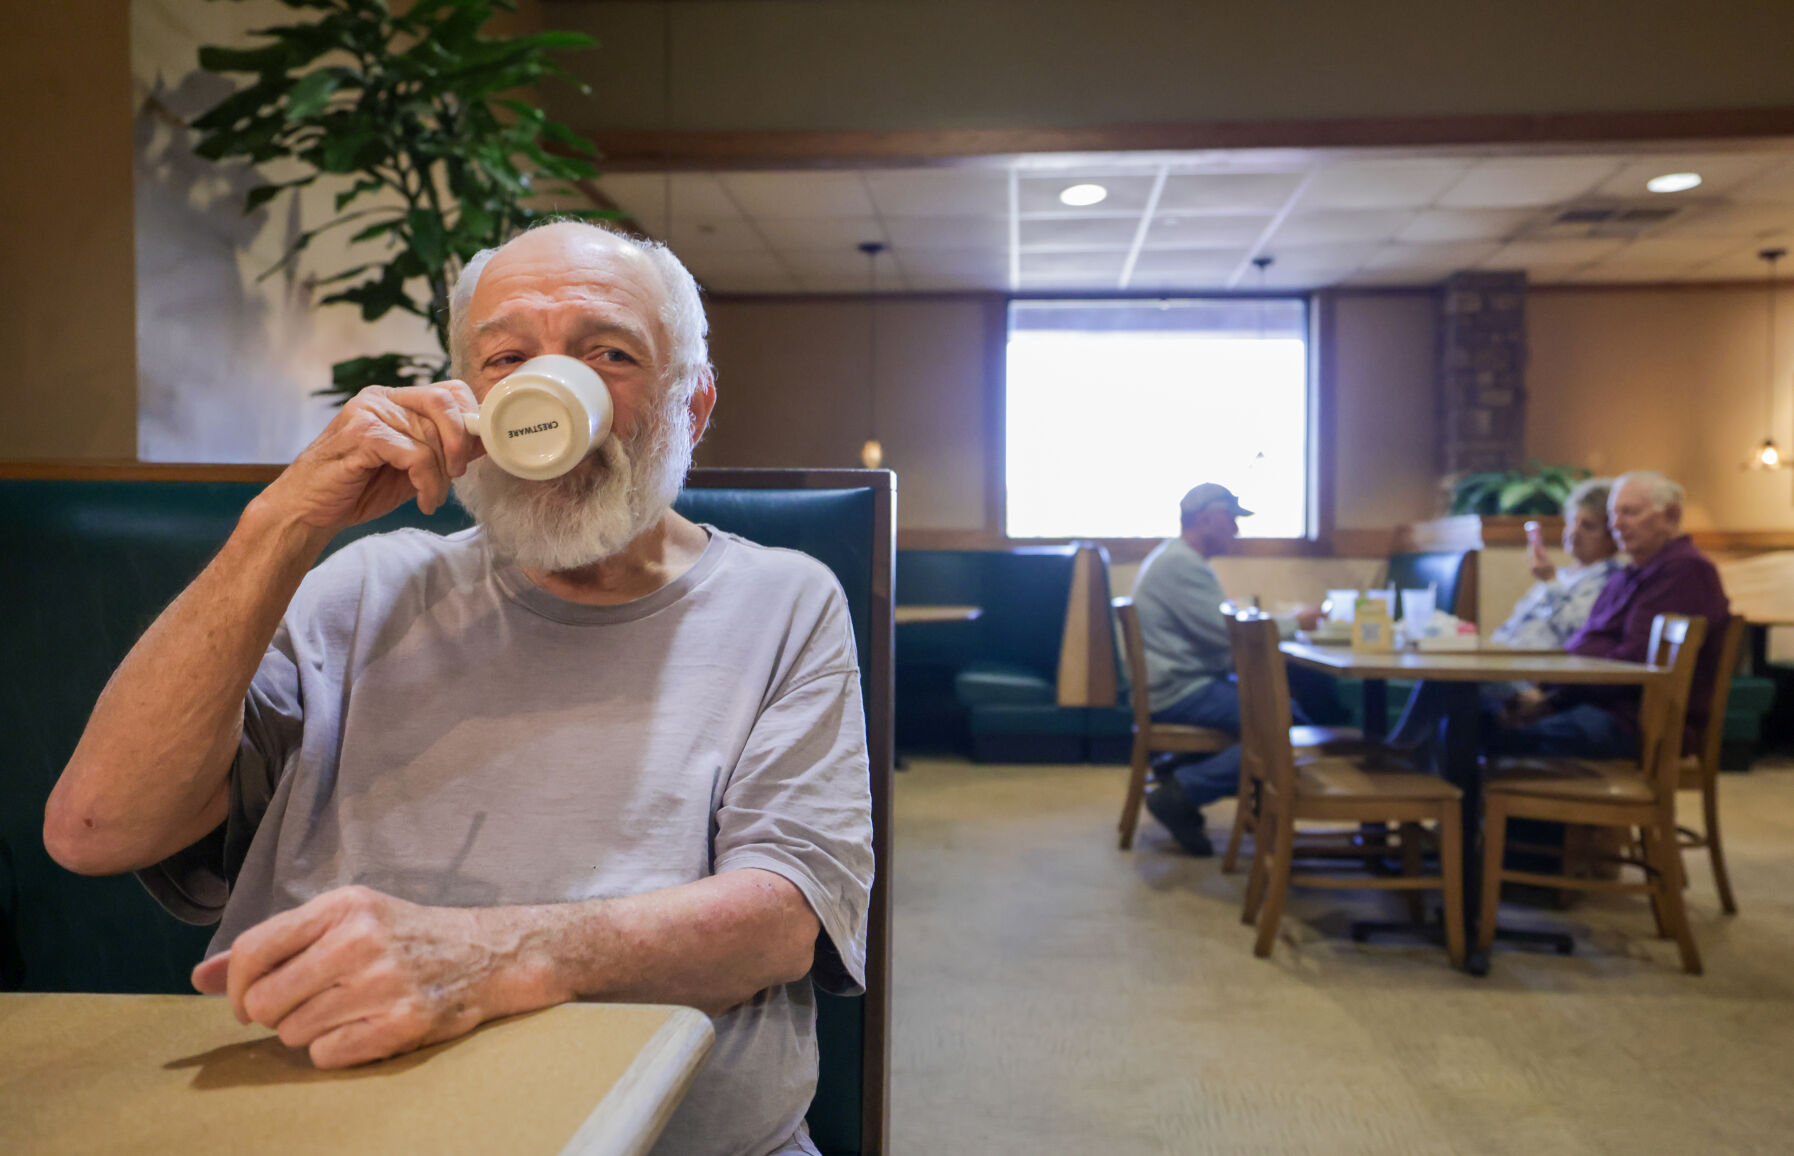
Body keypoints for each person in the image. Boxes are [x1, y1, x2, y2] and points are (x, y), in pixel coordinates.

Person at [43, 221, 874, 1156]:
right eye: (508, 356)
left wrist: (484, 956)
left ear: (692, 407)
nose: (551, 388)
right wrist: (287, 517)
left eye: (609, 354)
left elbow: (778, 925)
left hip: (671, 1135)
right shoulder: (364, 590)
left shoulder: (782, 602)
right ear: (471, 397)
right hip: (327, 1125)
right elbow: (94, 828)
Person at [1394, 469, 1729, 762]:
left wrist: (1550, 701)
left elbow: (1634, 666)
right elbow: (1588, 646)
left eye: (1630, 512)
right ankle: (1446, 812)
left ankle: (1432, 797)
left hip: (1630, 722)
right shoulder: (1631, 574)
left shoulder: (1684, 571)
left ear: (1670, 515)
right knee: (1464, 706)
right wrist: (1548, 699)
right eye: (1614, 514)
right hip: (1591, 703)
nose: (1617, 524)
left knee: (1473, 727)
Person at [1132, 483, 1340, 857]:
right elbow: (1228, 629)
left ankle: (1179, 768)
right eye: (1230, 520)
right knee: (1284, 724)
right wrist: (1299, 623)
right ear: (1205, 520)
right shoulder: (1180, 564)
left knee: (1284, 713)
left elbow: (1221, 627)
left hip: (1180, 682)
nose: (1236, 530)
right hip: (1179, 690)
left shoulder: (1180, 560)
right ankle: (1182, 790)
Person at [1488, 477, 1623, 652]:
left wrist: (1550, 582)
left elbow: (1575, 633)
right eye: (1572, 521)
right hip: (1506, 662)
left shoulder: (1611, 579)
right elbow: (1513, 625)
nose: (1574, 532)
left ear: (1612, 535)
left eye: (1588, 526)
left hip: (1545, 672)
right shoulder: (1561, 575)